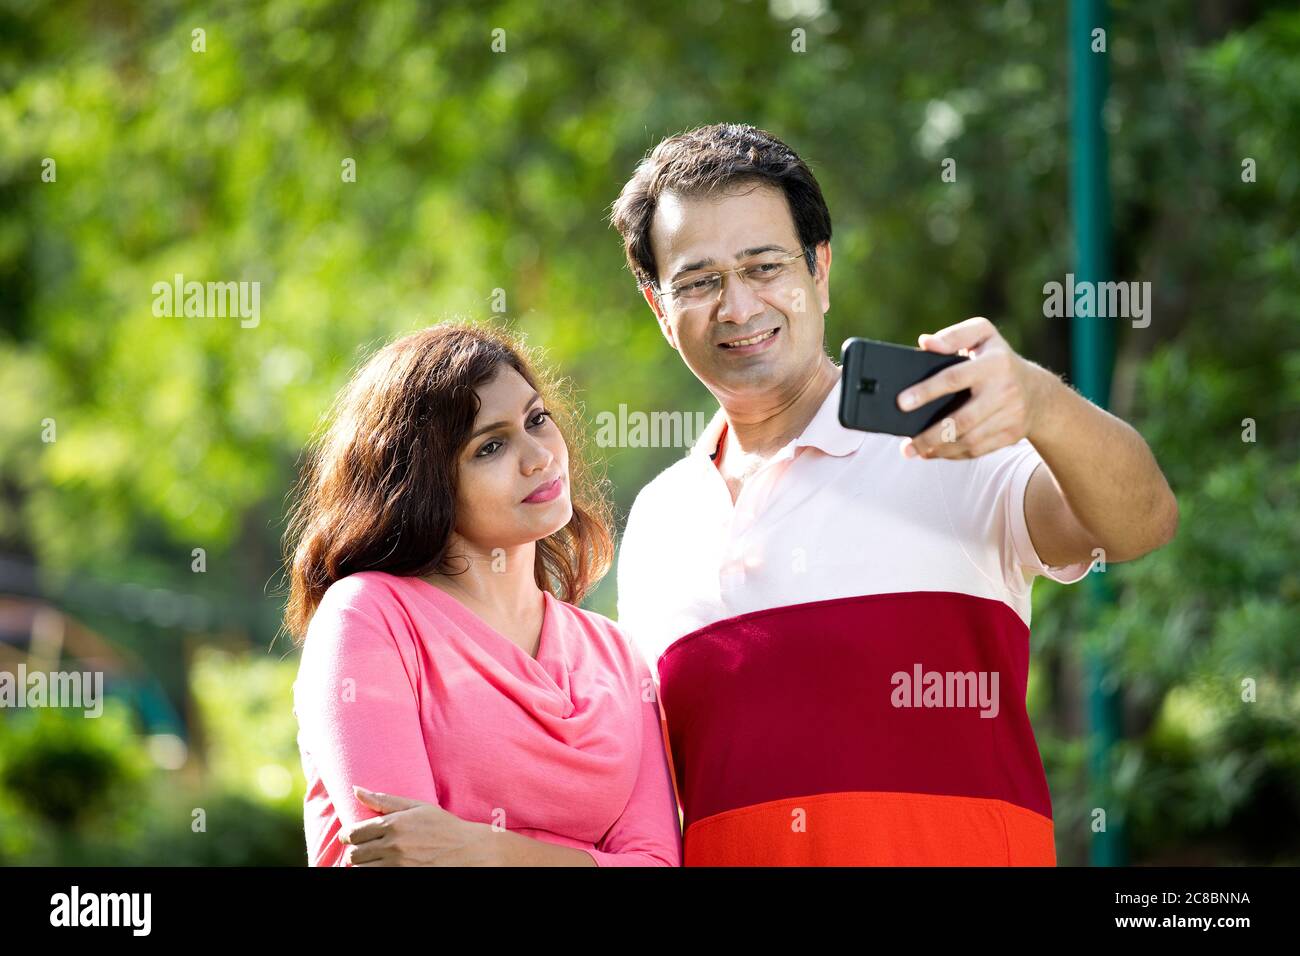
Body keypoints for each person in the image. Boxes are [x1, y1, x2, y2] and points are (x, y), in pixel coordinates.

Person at [609, 123, 1179, 865]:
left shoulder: (949, 435)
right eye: (699, 281)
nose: (738, 306)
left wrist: (1041, 402)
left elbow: (1141, 523)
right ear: (660, 306)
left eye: (764, 265)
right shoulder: (658, 521)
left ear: (820, 269)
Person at [284, 323, 681, 866]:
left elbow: (658, 863)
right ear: (423, 481)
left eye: (537, 420)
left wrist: (482, 850)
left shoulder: (615, 654)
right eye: (490, 446)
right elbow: (406, 860)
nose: (539, 456)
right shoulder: (369, 616)